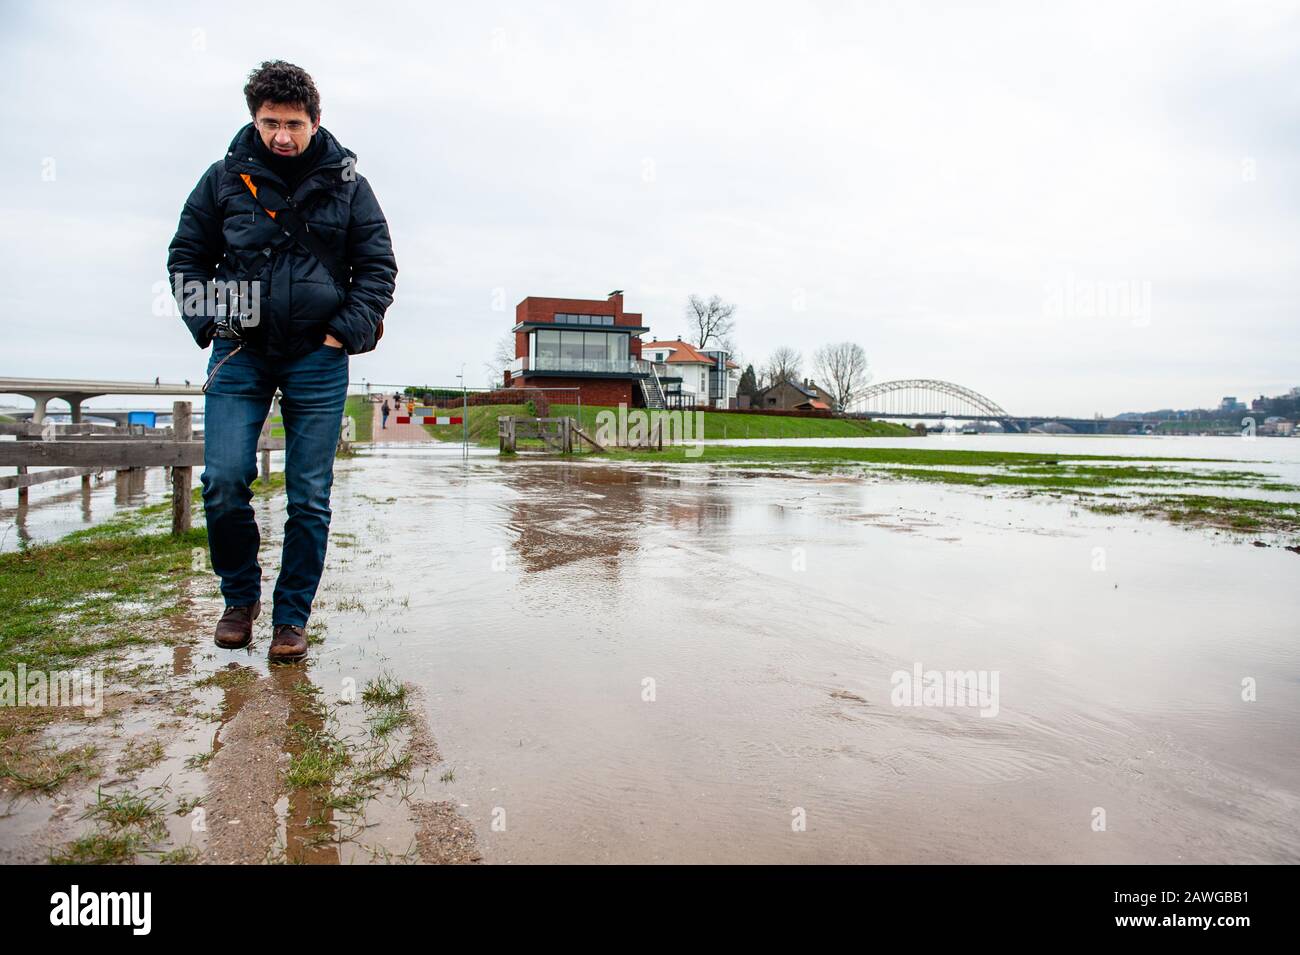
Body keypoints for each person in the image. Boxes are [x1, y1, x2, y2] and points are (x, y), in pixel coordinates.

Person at [168, 60, 397, 663]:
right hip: (239, 353)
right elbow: (186, 257)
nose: (282, 137)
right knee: (222, 482)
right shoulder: (221, 180)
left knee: (308, 498)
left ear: (316, 122)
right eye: (270, 123)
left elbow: (378, 269)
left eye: (294, 124)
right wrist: (211, 320)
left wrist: (342, 334)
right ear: (254, 119)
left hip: (317, 358)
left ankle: (290, 619)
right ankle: (239, 600)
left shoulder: (349, 184)